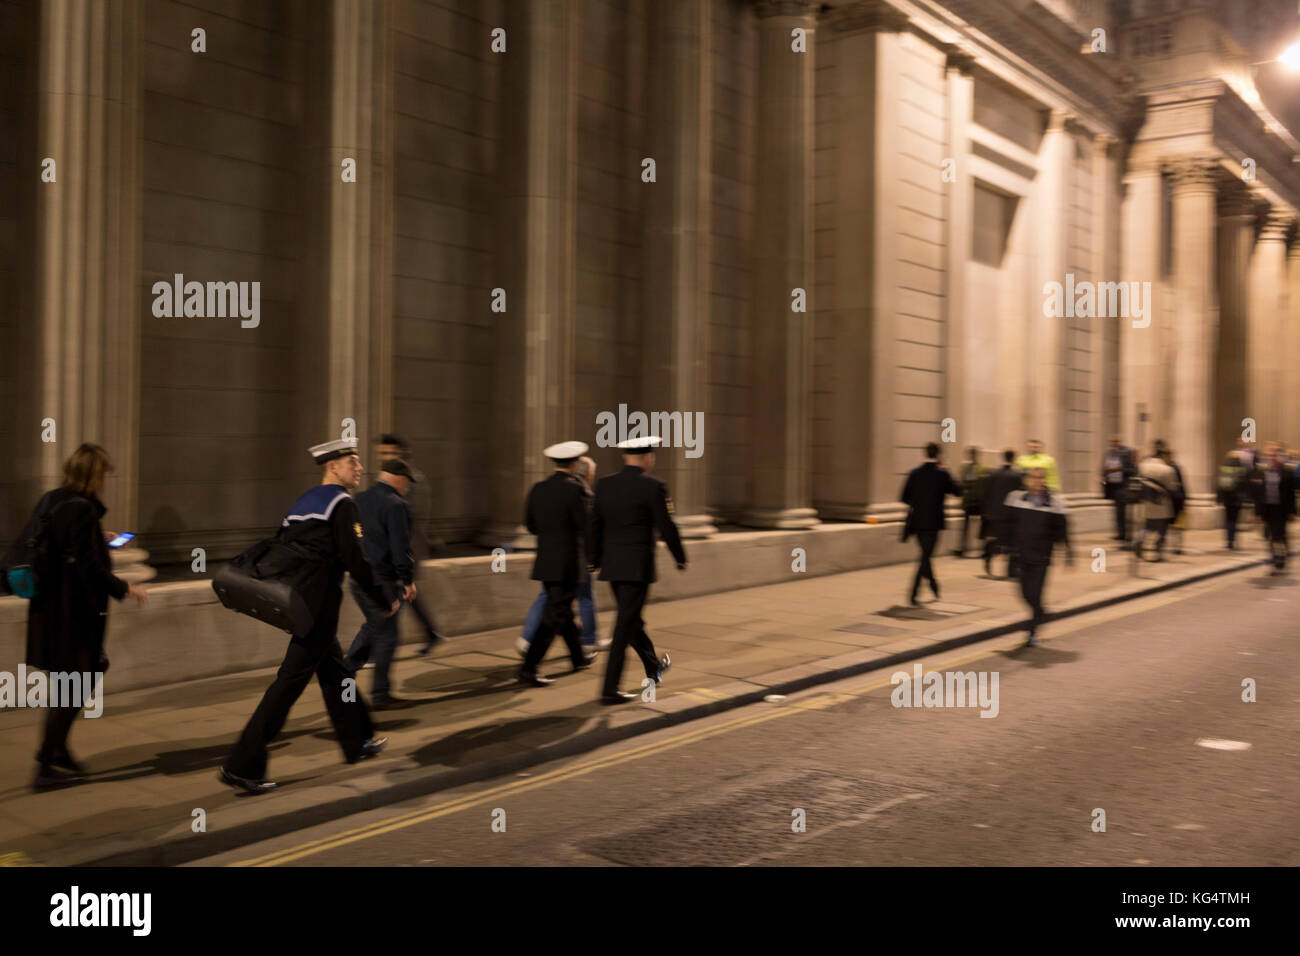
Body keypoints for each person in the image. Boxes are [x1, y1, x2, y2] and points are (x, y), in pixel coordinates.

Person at [221, 440, 398, 794]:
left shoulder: (303, 503)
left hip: (296, 601)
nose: (359, 468)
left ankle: (358, 738)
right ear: (333, 467)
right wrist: (383, 598)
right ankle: (241, 764)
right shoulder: (342, 504)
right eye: (352, 462)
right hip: (318, 607)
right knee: (288, 684)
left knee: (337, 674)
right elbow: (355, 560)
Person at [23, 444, 149, 789]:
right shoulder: (82, 510)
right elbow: (89, 570)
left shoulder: (53, 499)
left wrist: (98, 539)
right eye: (103, 473)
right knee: (75, 681)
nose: (105, 480)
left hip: (48, 609)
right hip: (73, 614)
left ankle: (57, 750)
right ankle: (46, 766)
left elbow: (60, 546)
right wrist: (126, 587)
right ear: (93, 474)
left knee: (80, 676)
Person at [590, 435, 685, 705]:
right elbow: (667, 526)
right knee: (624, 626)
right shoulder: (654, 486)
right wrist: (680, 558)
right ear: (646, 458)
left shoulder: (605, 484)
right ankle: (609, 689)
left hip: (611, 566)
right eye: (652, 456)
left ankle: (653, 667)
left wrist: (592, 560)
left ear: (625, 457)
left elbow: (594, 524)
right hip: (637, 568)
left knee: (631, 621)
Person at [518, 441, 599, 686]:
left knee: (561, 611)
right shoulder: (577, 490)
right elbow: (587, 527)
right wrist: (595, 557)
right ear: (574, 464)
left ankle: (578, 658)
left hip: (545, 562)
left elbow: (530, 525)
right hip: (569, 564)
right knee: (553, 615)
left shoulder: (538, 489)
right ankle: (528, 668)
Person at [346, 458, 418, 709]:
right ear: (399, 479)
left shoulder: (360, 499)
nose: (407, 488)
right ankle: (379, 694)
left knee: (373, 628)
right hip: (382, 581)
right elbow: (401, 548)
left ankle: (345, 674)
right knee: (388, 636)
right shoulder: (397, 505)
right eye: (407, 483)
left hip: (358, 578)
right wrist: (407, 580)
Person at [375, 435, 443, 655]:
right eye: (380, 453)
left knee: (392, 602)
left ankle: (379, 651)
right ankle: (431, 633)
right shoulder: (391, 480)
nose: (382, 458)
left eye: (387, 453)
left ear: (401, 455)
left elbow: (408, 518)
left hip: (406, 550)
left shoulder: (413, 481)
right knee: (405, 597)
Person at [1004, 467, 1071, 646]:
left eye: (1040, 478)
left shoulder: (1055, 503)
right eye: (1033, 478)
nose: (1037, 481)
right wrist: (1002, 547)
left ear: (1044, 480)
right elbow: (1008, 524)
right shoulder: (1016, 498)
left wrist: (1069, 554)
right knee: (1024, 593)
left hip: (1041, 557)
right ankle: (1040, 613)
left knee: (1035, 592)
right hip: (1022, 555)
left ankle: (1032, 633)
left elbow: (1063, 531)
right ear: (1027, 480)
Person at [900, 442, 962, 604]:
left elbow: (904, 498)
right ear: (938, 455)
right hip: (934, 522)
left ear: (925, 453)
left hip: (917, 522)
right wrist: (947, 469)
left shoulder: (914, 473)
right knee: (925, 556)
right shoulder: (942, 474)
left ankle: (934, 586)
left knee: (925, 555)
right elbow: (958, 491)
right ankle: (913, 593)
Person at [1249, 444, 1296, 573]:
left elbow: (1290, 493)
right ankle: (1276, 557)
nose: (1272, 457)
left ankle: (1280, 557)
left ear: (1279, 457)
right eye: (1269, 455)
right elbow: (1258, 495)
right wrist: (1257, 512)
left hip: (1281, 509)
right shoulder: (1262, 472)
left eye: (1274, 455)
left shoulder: (1286, 472)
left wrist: (1293, 511)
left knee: (1280, 535)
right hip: (1267, 509)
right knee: (1269, 535)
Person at [1134, 441, 1180, 562]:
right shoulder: (1167, 469)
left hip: (1147, 501)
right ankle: (1158, 552)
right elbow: (1172, 488)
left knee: (1148, 525)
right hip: (1162, 503)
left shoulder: (1143, 465)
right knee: (1162, 529)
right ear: (1162, 455)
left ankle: (1139, 540)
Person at [981, 449, 1023, 577]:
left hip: (995, 514)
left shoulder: (993, 474)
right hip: (1011, 514)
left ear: (1003, 458)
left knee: (997, 539)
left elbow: (987, 493)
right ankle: (1011, 570)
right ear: (1013, 458)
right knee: (1012, 541)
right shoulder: (1017, 476)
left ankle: (988, 557)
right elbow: (1020, 495)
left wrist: (986, 512)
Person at [1100, 436, 1136, 541]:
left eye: (1115, 441)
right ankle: (1120, 533)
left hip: (1123, 486)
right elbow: (1105, 469)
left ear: (1120, 441)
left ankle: (1126, 534)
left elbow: (1132, 470)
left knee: (1123, 512)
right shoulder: (1109, 453)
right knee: (1117, 512)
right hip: (1112, 486)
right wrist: (1103, 477)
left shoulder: (1127, 452)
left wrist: (1118, 469)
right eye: (1112, 441)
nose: (1114, 443)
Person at [953, 446, 984, 557]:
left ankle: (983, 549)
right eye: (971, 454)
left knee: (982, 526)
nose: (972, 456)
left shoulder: (981, 468)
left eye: (974, 454)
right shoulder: (964, 468)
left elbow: (981, 484)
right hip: (968, 500)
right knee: (965, 527)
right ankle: (962, 548)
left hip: (978, 501)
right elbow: (962, 482)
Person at [1216, 450, 1249, 550]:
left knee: (1228, 520)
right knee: (1235, 521)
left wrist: (1219, 499)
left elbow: (1219, 485)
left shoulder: (1224, 468)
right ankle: (1234, 541)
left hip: (1227, 499)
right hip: (1237, 500)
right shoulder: (1242, 469)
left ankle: (1229, 541)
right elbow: (1245, 486)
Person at [1166, 447, 1187, 555]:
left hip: (1174, 501)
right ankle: (1176, 546)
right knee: (1175, 526)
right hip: (1175, 501)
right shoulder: (1174, 467)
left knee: (1176, 526)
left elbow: (1181, 485)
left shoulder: (1171, 468)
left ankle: (1176, 546)